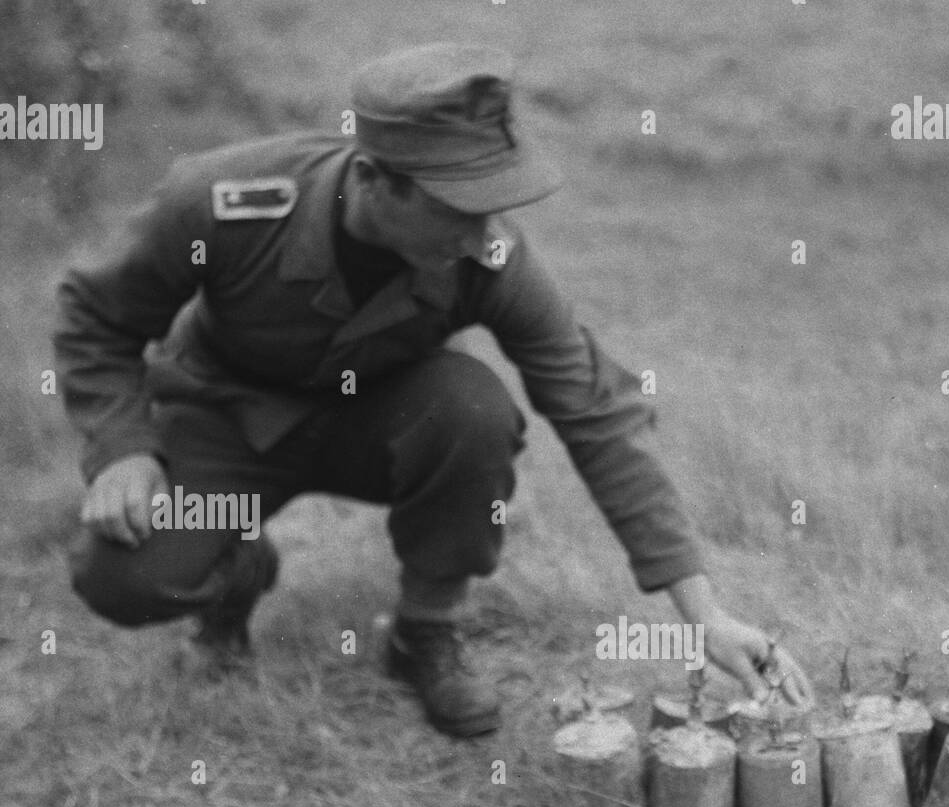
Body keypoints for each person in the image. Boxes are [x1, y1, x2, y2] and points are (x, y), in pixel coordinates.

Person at [54, 42, 812, 737]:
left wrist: (702, 614)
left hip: (376, 426)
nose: (483, 230)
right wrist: (123, 448)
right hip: (228, 419)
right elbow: (94, 316)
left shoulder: (489, 257)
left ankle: (424, 635)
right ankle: (235, 573)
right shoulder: (220, 200)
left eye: (494, 200)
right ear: (373, 181)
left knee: (473, 407)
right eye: (459, 205)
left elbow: (595, 413)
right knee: (120, 577)